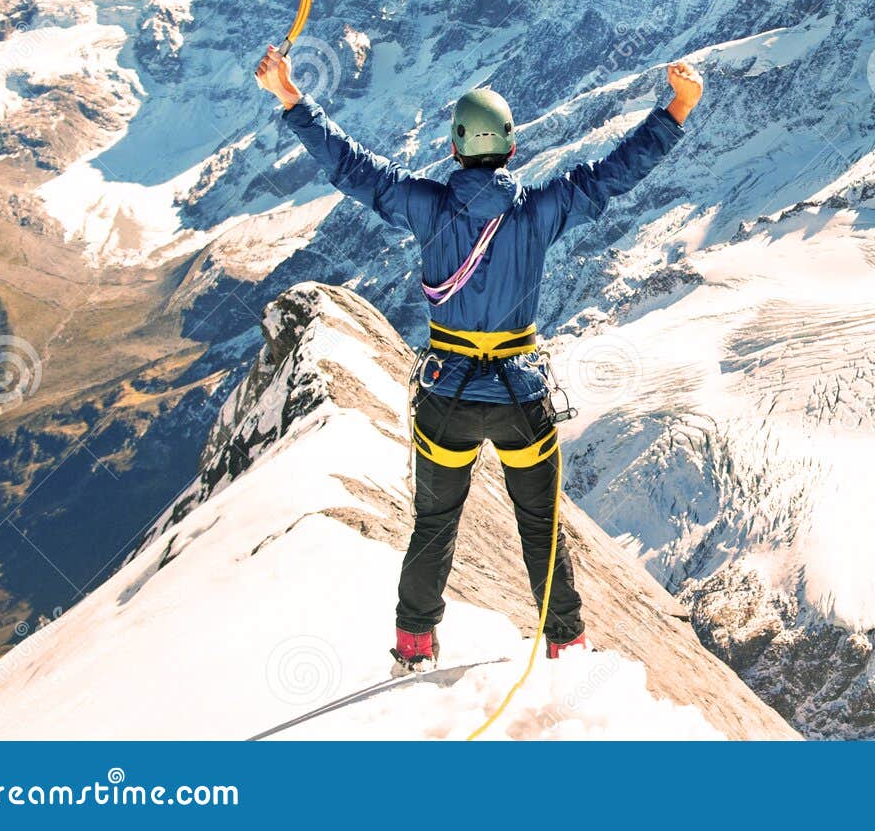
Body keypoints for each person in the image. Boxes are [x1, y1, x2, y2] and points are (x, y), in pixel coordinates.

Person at [255, 46, 703, 671]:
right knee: (541, 528)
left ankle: (414, 644)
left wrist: (292, 99)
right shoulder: (542, 210)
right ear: (512, 150)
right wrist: (676, 109)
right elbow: (613, 173)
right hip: (522, 400)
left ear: (456, 150)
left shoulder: (426, 206)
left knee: (434, 525)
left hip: (448, 400)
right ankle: (566, 643)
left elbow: (352, 168)